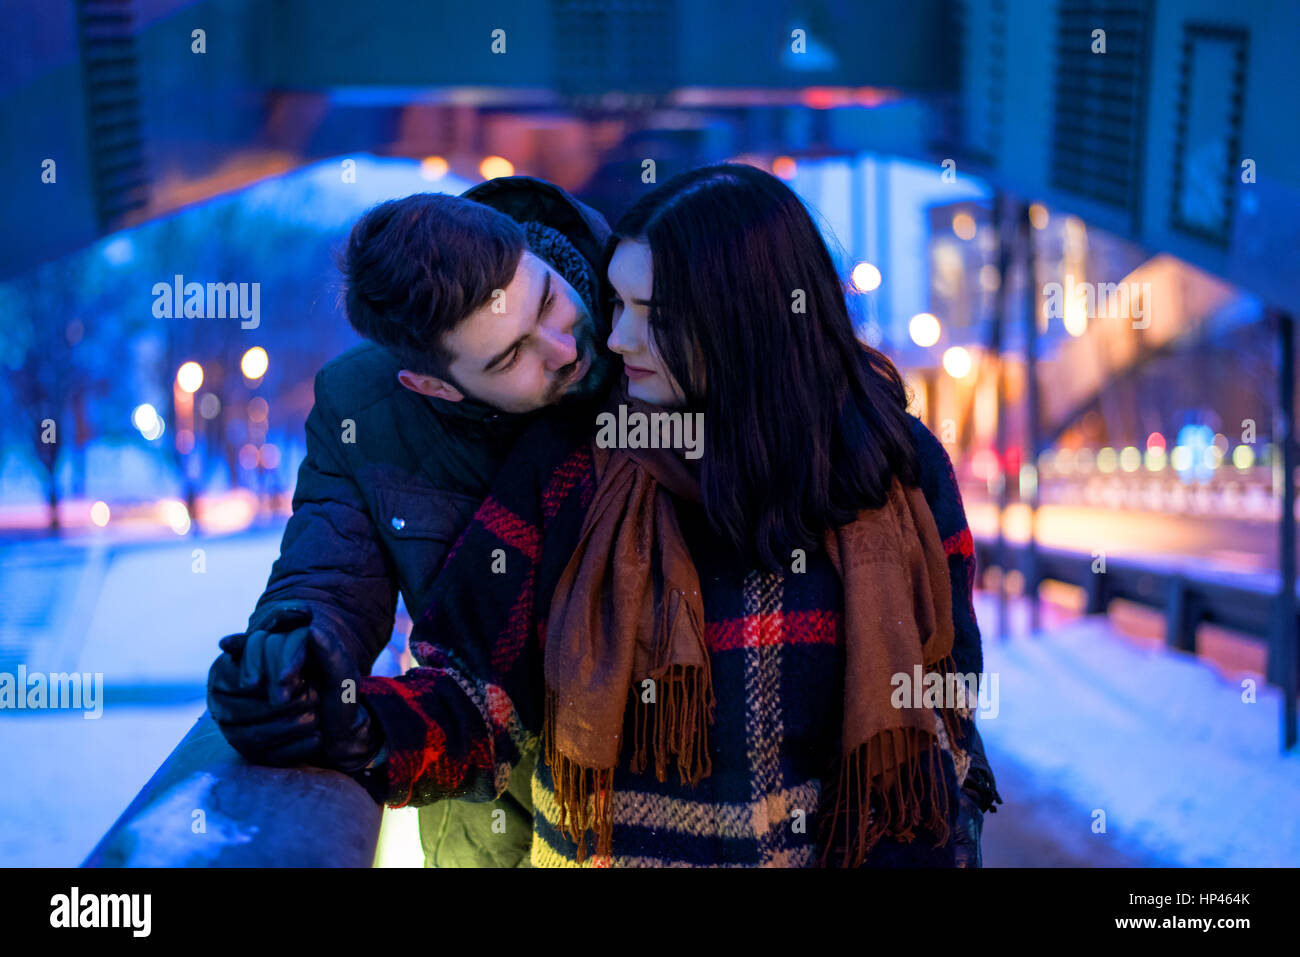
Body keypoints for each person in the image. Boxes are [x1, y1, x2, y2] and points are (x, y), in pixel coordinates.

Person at [312, 163, 1001, 866]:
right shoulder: (577, 456)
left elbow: (945, 710)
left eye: (655, 317)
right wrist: (351, 722)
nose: (614, 341)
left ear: (742, 321)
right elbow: (474, 692)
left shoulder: (894, 466)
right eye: (617, 303)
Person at [206, 176, 616, 867]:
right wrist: (288, 662)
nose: (564, 348)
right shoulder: (361, 412)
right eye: (512, 355)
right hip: (492, 828)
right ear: (432, 384)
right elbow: (330, 582)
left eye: (548, 297)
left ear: (537, 250)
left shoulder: (653, 323)